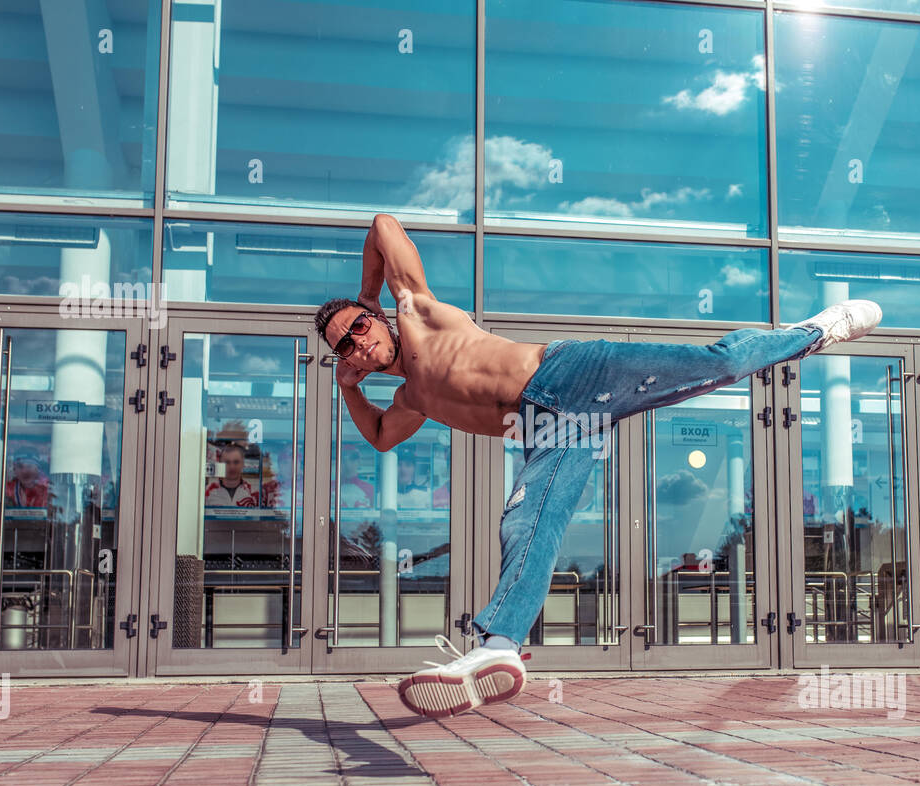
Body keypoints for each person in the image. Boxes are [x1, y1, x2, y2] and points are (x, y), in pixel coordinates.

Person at [315, 213, 882, 718]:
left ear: (376, 321)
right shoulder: (411, 399)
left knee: (718, 365)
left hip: (570, 372)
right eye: (345, 348)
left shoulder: (416, 313)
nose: (358, 345)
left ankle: (816, 331)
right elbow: (382, 437)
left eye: (359, 330)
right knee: (525, 524)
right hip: (551, 426)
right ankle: (497, 647)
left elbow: (384, 226)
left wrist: (365, 299)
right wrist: (348, 390)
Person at [205, 443, 258, 507]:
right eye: (227, 462)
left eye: (236, 462)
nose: (232, 467)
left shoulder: (254, 492)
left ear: (243, 464)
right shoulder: (207, 491)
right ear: (221, 464)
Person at [339, 442, 376, 508]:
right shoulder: (330, 487)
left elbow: (373, 515)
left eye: (352, 458)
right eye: (343, 458)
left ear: (359, 462)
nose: (347, 463)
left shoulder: (370, 489)